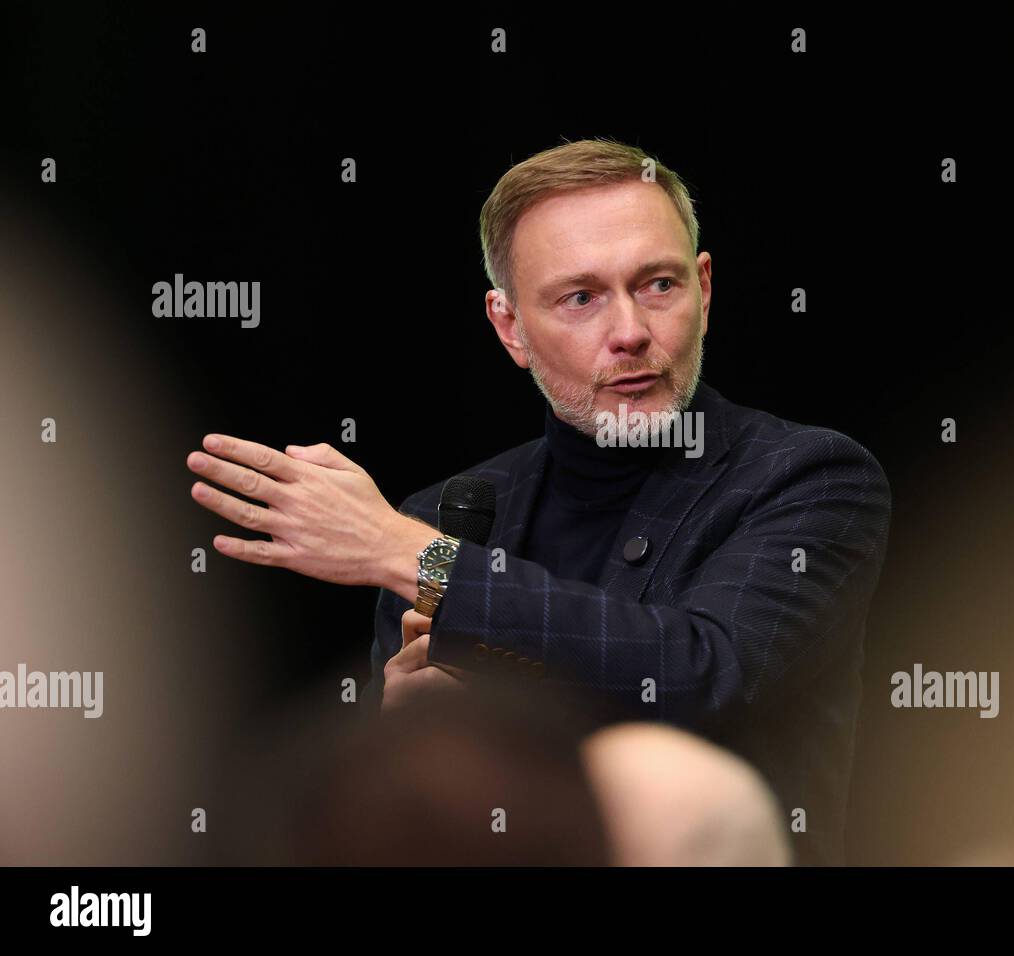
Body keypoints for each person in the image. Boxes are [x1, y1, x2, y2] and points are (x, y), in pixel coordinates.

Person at [186, 138, 891, 865]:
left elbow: (702, 675)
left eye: (658, 285)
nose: (630, 333)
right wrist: (408, 741)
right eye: (581, 298)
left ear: (705, 291)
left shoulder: (810, 477)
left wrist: (410, 556)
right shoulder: (446, 513)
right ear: (510, 326)